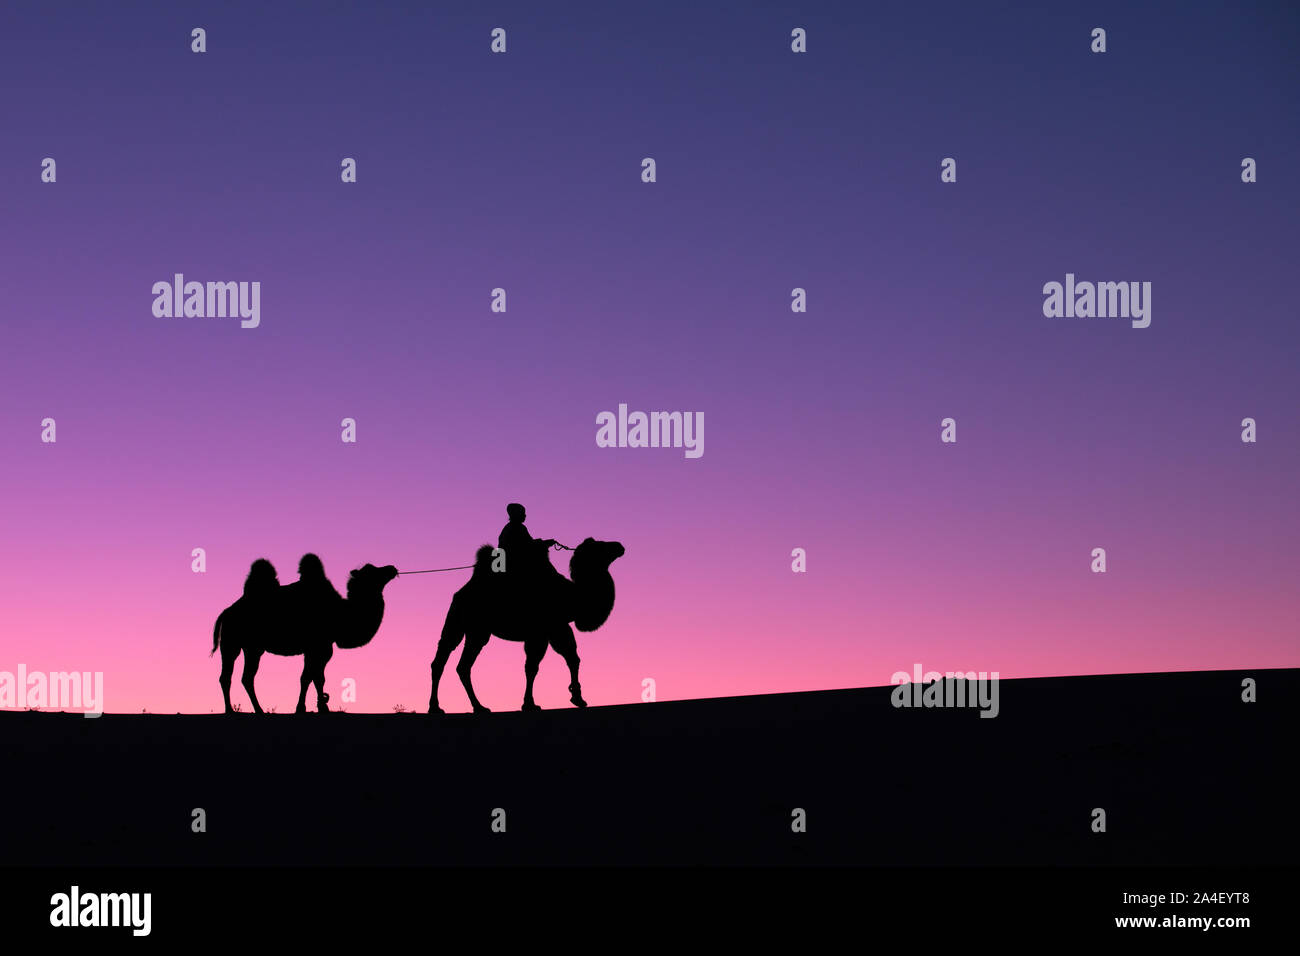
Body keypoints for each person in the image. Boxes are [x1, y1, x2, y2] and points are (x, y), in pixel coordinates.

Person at [498, 503, 557, 588]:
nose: (525, 515)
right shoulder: (518, 528)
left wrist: (542, 543)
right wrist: (544, 543)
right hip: (515, 563)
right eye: (522, 513)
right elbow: (527, 546)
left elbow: (527, 543)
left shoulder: (509, 528)